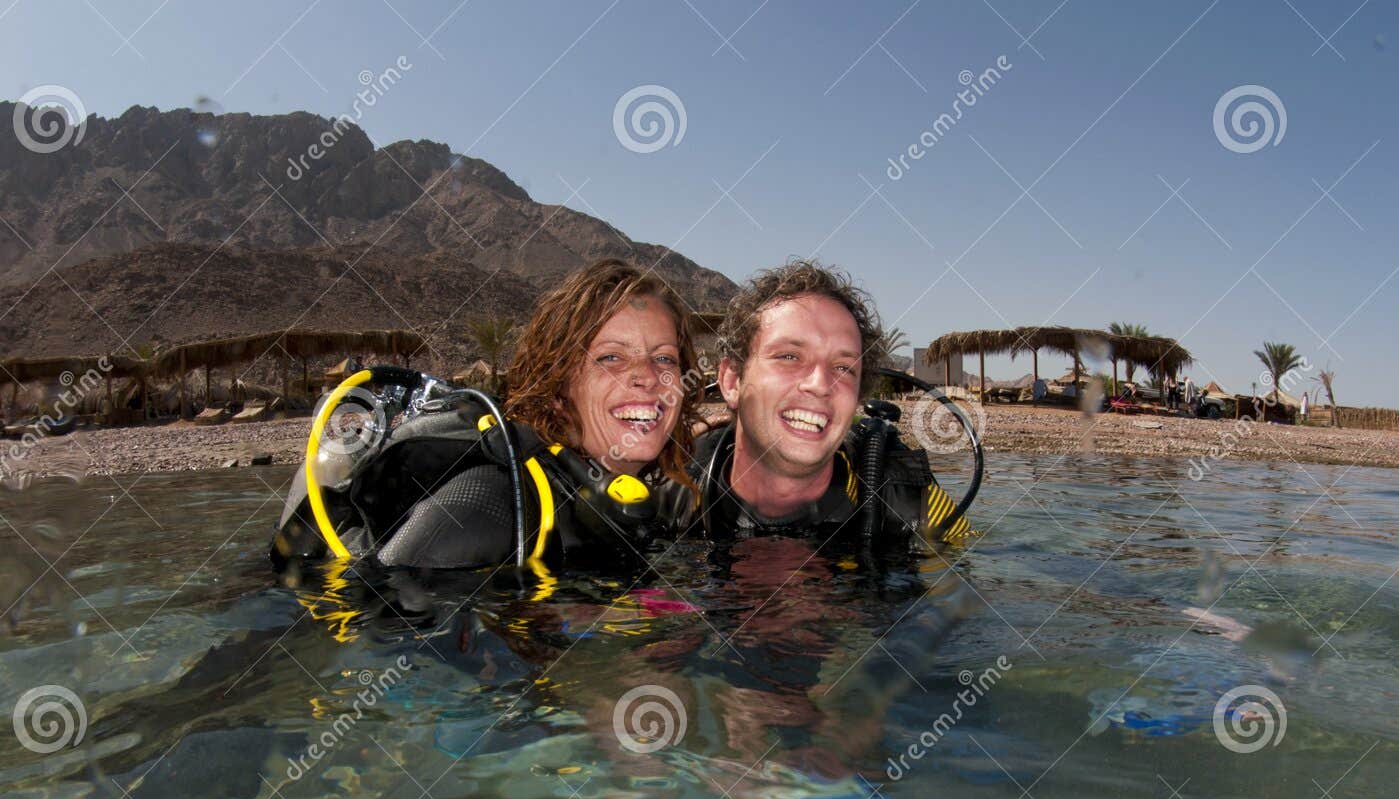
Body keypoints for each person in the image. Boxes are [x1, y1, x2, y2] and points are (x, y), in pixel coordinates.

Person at [270, 259, 698, 572]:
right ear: (557, 390)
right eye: (611, 357)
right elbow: (383, 640)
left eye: (664, 359)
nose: (647, 377)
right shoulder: (491, 503)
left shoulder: (647, 501)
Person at [665, 261, 973, 547]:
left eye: (843, 368)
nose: (821, 384)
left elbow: (963, 597)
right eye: (789, 357)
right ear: (732, 381)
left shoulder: (912, 507)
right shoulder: (668, 493)